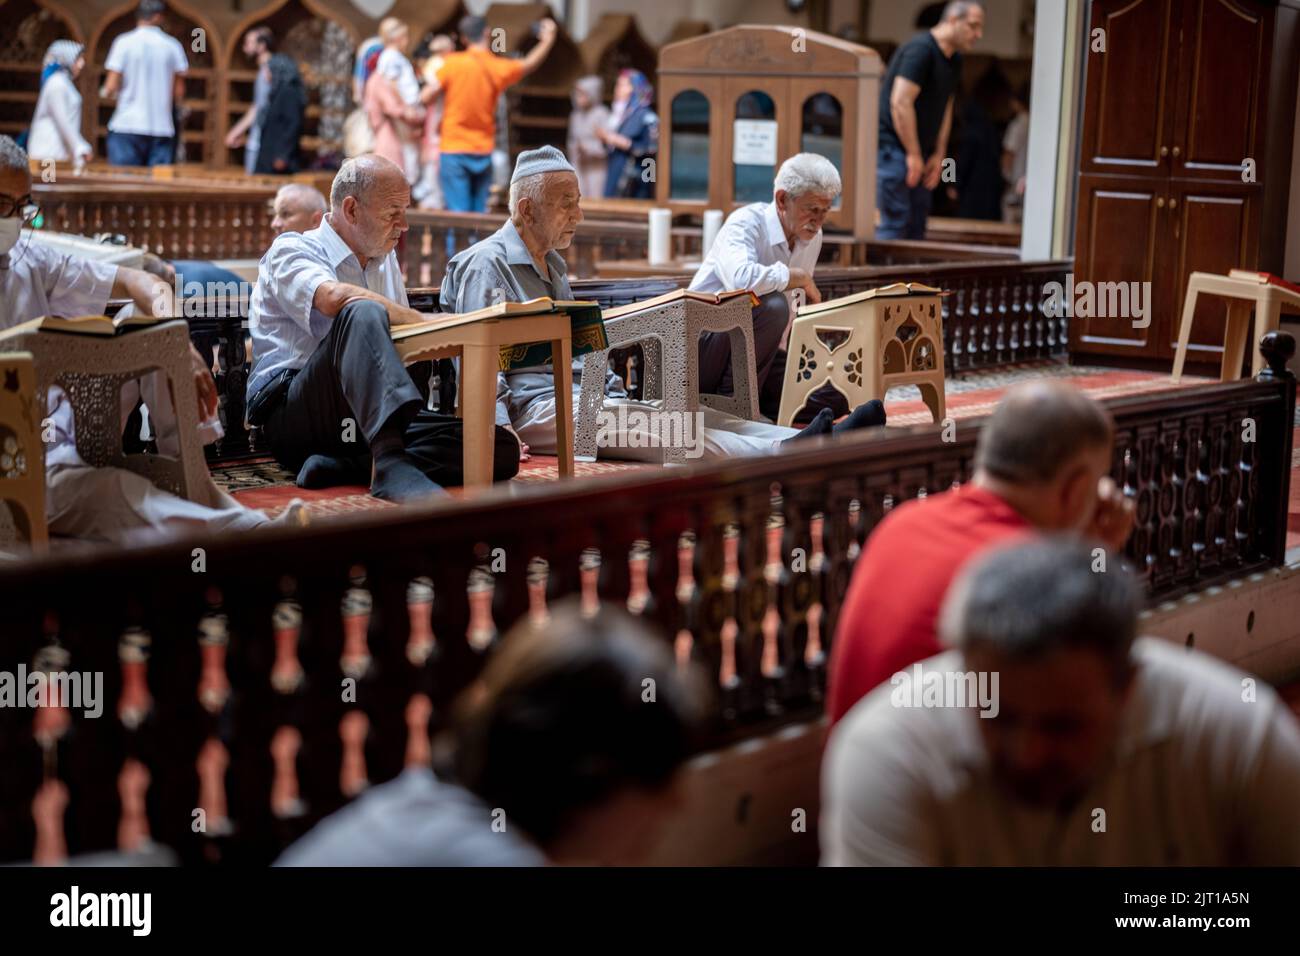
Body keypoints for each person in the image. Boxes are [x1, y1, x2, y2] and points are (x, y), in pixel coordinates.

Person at [822, 537, 1300, 865]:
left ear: (1129, 687)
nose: (1027, 751)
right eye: (998, 715)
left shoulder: (1237, 735)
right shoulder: (888, 751)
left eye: (1062, 726)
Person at [439, 146, 886, 463]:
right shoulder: (485, 265)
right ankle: (786, 453)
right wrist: (497, 431)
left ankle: (805, 438)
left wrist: (611, 385)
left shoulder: (551, 265)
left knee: (692, 414)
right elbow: (479, 361)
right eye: (567, 205)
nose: (578, 215)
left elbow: (579, 345)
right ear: (526, 208)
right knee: (668, 433)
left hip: (581, 393)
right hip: (534, 407)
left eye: (578, 203)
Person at [0, 136, 301, 544]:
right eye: (5, 205)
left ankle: (191, 470)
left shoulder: (31, 260)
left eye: (23, 207)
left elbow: (145, 283)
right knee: (122, 493)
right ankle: (245, 538)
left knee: (145, 322)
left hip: (66, 429)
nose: (16, 219)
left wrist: (177, 342)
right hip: (17, 459)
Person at [276, 600, 707, 866]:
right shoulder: (486, 857)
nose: (677, 802)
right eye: (658, 776)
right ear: (589, 775)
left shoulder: (423, 800)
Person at [826, 381, 1136, 725]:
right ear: (1076, 492)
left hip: (850, 767)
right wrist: (1095, 556)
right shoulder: (1032, 571)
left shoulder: (902, 520)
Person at [247, 154, 520, 501]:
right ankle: (389, 462)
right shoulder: (293, 248)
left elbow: (405, 340)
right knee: (360, 310)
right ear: (351, 210)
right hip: (299, 413)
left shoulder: (383, 257)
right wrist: (427, 321)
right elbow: (333, 298)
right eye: (393, 213)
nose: (404, 225)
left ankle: (348, 466)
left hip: (368, 418)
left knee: (498, 449)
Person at [688, 152, 844, 422]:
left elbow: (796, 307)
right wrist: (799, 277)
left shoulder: (812, 237)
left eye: (825, 211)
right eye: (812, 209)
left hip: (758, 355)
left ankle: (744, 404)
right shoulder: (745, 223)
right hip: (700, 348)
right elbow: (741, 281)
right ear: (782, 199)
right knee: (771, 306)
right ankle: (732, 409)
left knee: (835, 396)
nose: (819, 221)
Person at [422, 14, 558, 213]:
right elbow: (528, 64)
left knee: (457, 214)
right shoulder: (496, 67)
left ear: (464, 39)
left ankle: (457, 245)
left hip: (453, 146)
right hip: (483, 148)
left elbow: (426, 96)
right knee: (478, 215)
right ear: (487, 33)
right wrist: (548, 40)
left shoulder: (451, 64)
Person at [876, 1, 984, 239]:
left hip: (921, 152)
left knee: (917, 225)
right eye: (974, 26)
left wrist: (939, 153)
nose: (979, 34)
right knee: (895, 224)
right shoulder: (920, 50)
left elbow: (946, 106)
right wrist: (913, 153)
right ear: (953, 20)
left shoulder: (954, 59)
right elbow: (900, 102)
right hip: (894, 150)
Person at [100, 0, 189, 168]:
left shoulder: (123, 42)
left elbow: (110, 87)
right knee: (156, 191)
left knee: (123, 188)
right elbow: (178, 91)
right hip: (161, 127)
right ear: (159, 17)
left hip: (126, 125)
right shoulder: (172, 46)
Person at [27, 41, 93, 169]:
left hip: (57, 154)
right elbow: (62, 120)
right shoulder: (56, 84)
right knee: (47, 187)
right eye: (78, 58)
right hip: (47, 155)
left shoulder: (63, 83)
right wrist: (80, 146)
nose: (82, 64)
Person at [374, 18, 423, 184]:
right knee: (408, 152)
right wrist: (404, 106)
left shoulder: (392, 57)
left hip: (407, 107)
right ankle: (406, 185)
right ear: (397, 37)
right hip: (403, 110)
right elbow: (391, 84)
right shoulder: (391, 57)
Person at [597, 69, 657, 199]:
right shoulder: (624, 115)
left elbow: (652, 151)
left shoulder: (647, 116)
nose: (617, 89)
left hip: (637, 178)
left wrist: (623, 143)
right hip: (617, 170)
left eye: (622, 85)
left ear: (634, 88)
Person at [224, 28, 274, 174]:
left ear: (262, 45)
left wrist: (236, 131)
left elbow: (259, 107)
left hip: (261, 138)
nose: (245, 47)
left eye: (249, 43)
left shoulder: (267, 71)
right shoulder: (266, 69)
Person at [414, 35, 454, 209]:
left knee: (435, 167)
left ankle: (434, 198)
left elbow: (426, 94)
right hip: (437, 122)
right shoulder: (438, 65)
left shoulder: (446, 67)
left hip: (444, 123)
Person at [252, 53, 307, 175]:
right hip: (268, 155)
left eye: (268, 70)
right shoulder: (277, 91)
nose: (266, 74)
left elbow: (293, 125)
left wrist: (283, 156)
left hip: (280, 160)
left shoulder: (289, 93)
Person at [567, 76, 610, 200]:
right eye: (577, 93)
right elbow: (571, 140)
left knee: (596, 200)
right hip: (579, 165)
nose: (578, 97)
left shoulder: (602, 113)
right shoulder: (575, 115)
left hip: (597, 167)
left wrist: (589, 149)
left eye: (583, 94)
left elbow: (607, 144)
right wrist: (576, 150)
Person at [1002, 80, 1030, 223]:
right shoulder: (1035, 122)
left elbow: (1009, 155)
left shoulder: (1017, 125)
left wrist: (1006, 177)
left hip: (1015, 183)